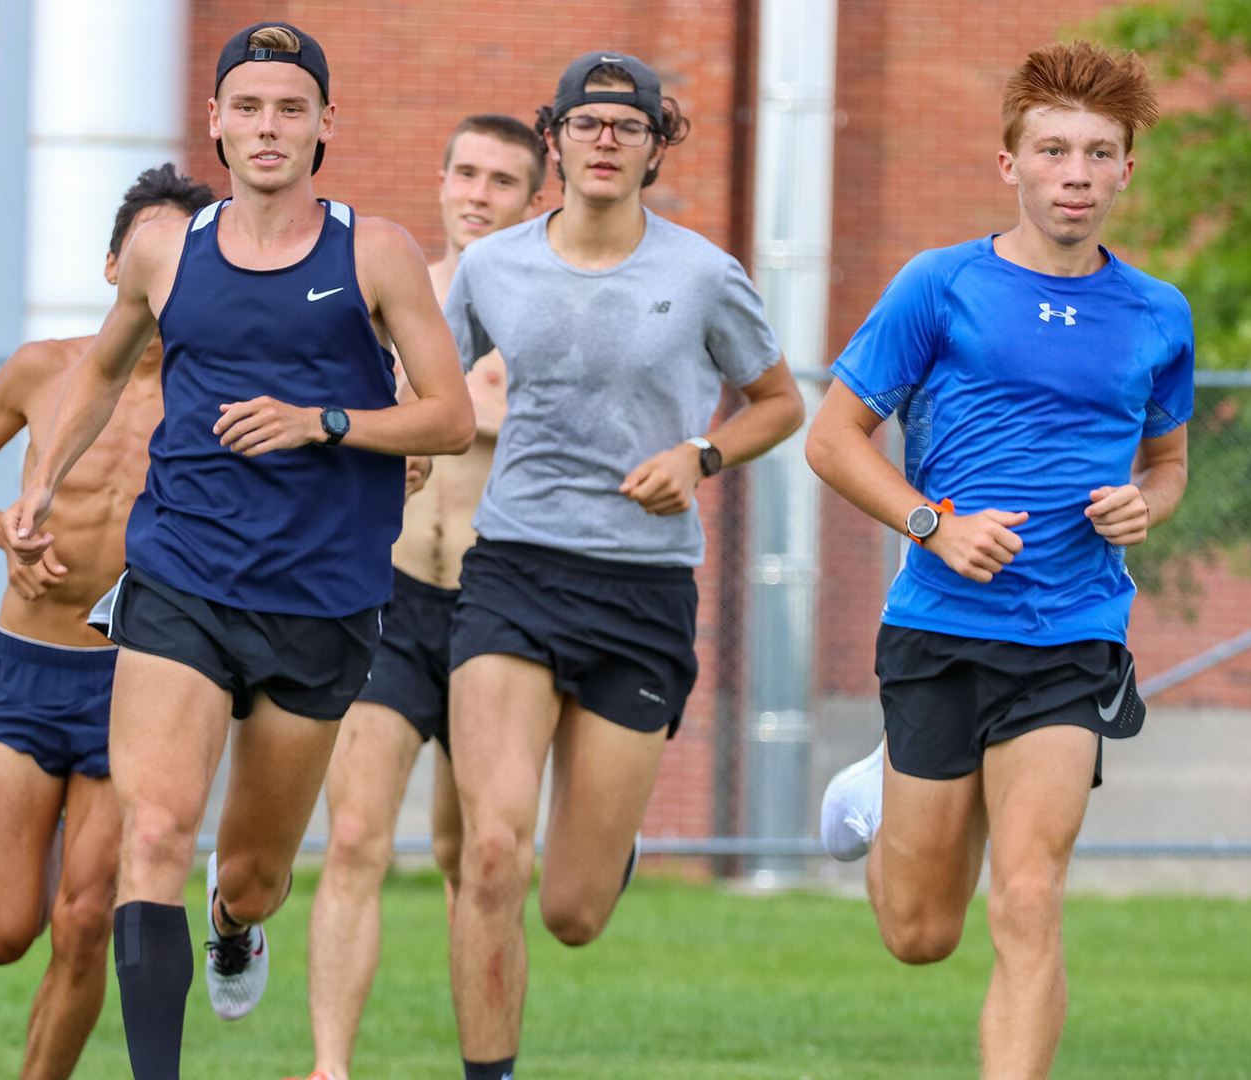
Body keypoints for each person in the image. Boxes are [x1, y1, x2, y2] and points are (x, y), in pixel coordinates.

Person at [3, 22, 474, 1080]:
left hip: (323, 598)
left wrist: (330, 423)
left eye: (290, 109)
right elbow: (99, 368)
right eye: (249, 107)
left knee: (253, 868)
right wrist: (39, 482)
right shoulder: (169, 250)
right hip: (181, 575)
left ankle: (235, 916)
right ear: (215, 121)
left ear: (323, 127)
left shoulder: (376, 252)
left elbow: (446, 418)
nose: (269, 127)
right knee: (156, 829)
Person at [811, 42, 1188, 1080]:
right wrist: (933, 522)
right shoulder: (942, 286)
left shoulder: (1159, 313)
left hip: (1071, 634)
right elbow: (832, 438)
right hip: (938, 628)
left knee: (1029, 895)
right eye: (1053, 149)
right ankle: (880, 796)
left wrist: (1142, 507)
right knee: (920, 934)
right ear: (1008, 165)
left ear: (1125, 172)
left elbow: (1168, 460)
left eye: (1098, 153)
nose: (1075, 171)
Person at [442, 51, 804, 1080]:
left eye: (627, 125)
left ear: (655, 147)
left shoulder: (701, 275)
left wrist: (700, 456)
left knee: (572, 912)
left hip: (642, 591)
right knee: (495, 851)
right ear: (551, 140)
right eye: (587, 123)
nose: (605, 140)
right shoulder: (494, 265)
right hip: (513, 569)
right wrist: (413, 439)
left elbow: (781, 404)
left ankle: (609, 850)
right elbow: (429, 376)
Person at [0, 163, 214, 1080]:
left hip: (139, 676)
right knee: (1, 932)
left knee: (88, 915)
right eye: (152, 253)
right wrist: (4, 529)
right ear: (114, 265)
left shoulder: (212, 397)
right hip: (26, 664)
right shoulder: (42, 368)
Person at [296, 114, 544, 1080]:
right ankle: (329, 1067)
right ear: (440, 183)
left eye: (504, 182)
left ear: (535, 201)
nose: (479, 196)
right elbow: (342, 423)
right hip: (391, 595)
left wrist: (436, 416)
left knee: (472, 856)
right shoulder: (397, 303)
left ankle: (483, 1061)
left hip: (501, 605)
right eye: (467, 175)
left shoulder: (546, 309)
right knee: (355, 836)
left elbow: (550, 437)